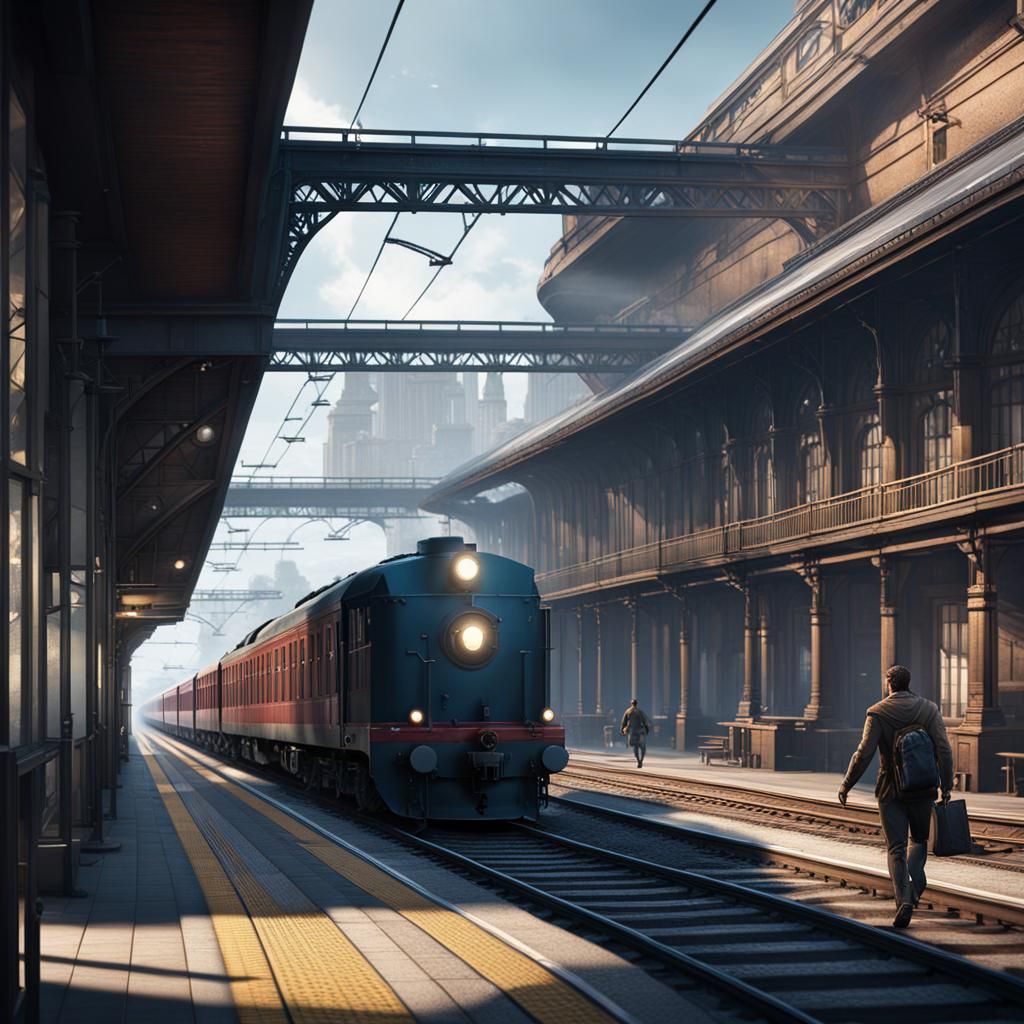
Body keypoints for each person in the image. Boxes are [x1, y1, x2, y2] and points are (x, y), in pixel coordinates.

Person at [838, 664, 953, 929]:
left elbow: (863, 753)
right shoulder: (929, 709)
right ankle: (917, 887)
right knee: (920, 841)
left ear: (888, 683)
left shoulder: (877, 713)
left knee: (896, 847)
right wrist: (946, 786)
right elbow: (944, 750)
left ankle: (903, 899)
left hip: (890, 788)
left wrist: (847, 784)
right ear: (908, 682)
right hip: (924, 788)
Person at [620, 698, 651, 768]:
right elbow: (645, 721)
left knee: (635, 747)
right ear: (637, 704)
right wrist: (647, 730)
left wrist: (622, 730)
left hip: (632, 732)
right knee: (643, 747)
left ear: (631, 703)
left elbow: (623, 722)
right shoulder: (640, 712)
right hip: (640, 731)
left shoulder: (628, 711)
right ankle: (641, 760)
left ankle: (638, 760)